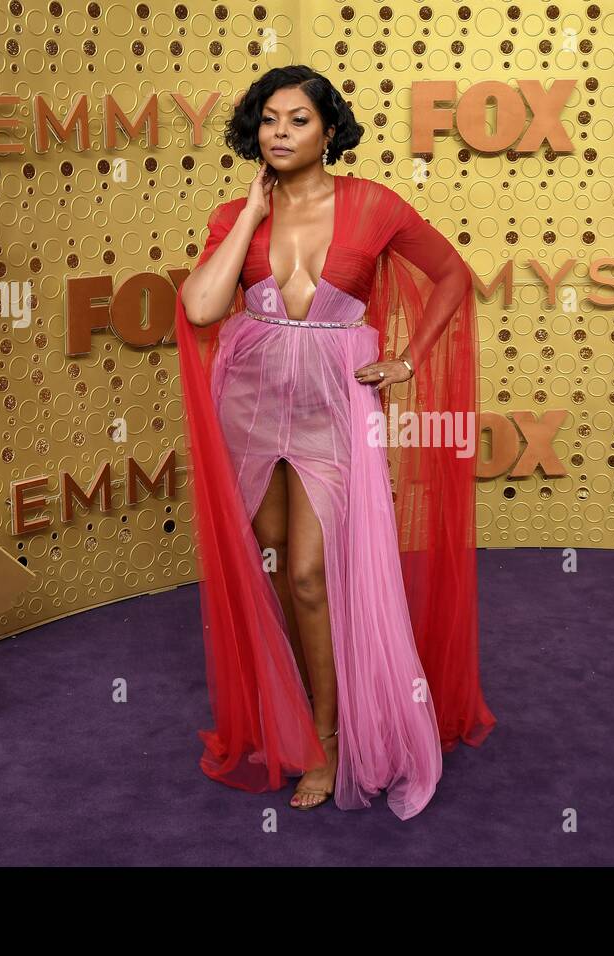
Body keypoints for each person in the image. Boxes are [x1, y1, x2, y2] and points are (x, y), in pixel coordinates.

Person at [173, 65, 495, 819]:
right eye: (268, 120)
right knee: (275, 563)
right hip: (249, 405)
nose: (280, 134)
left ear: (329, 132)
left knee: (313, 574)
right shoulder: (234, 214)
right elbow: (199, 309)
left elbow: (453, 275)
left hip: (332, 408)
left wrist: (411, 359)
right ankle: (291, 715)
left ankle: (330, 736)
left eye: (297, 121)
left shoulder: (373, 205)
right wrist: (251, 217)